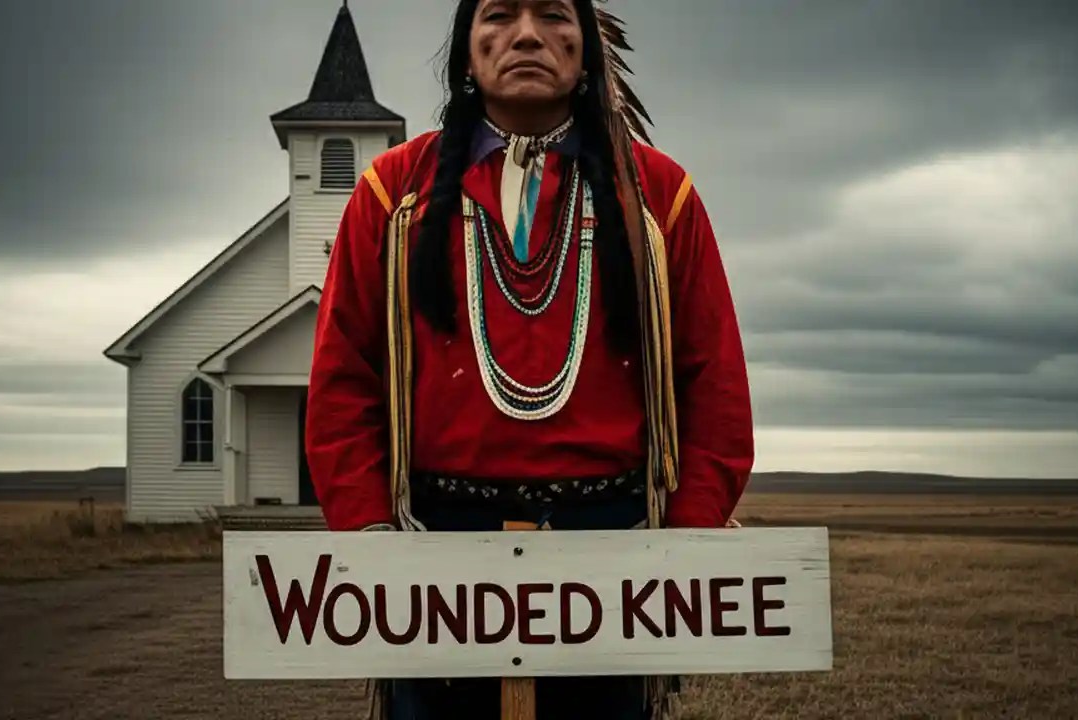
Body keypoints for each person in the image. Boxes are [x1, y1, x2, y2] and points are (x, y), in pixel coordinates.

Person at [305, 1, 754, 718]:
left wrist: (681, 549)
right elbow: (342, 383)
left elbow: (715, 385)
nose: (524, 34)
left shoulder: (660, 198)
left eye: (551, 13)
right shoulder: (393, 196)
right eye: (498, 15)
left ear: (584, 49)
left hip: (617, 558)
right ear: (466, 49)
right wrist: (371, 542)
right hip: (432, 554)